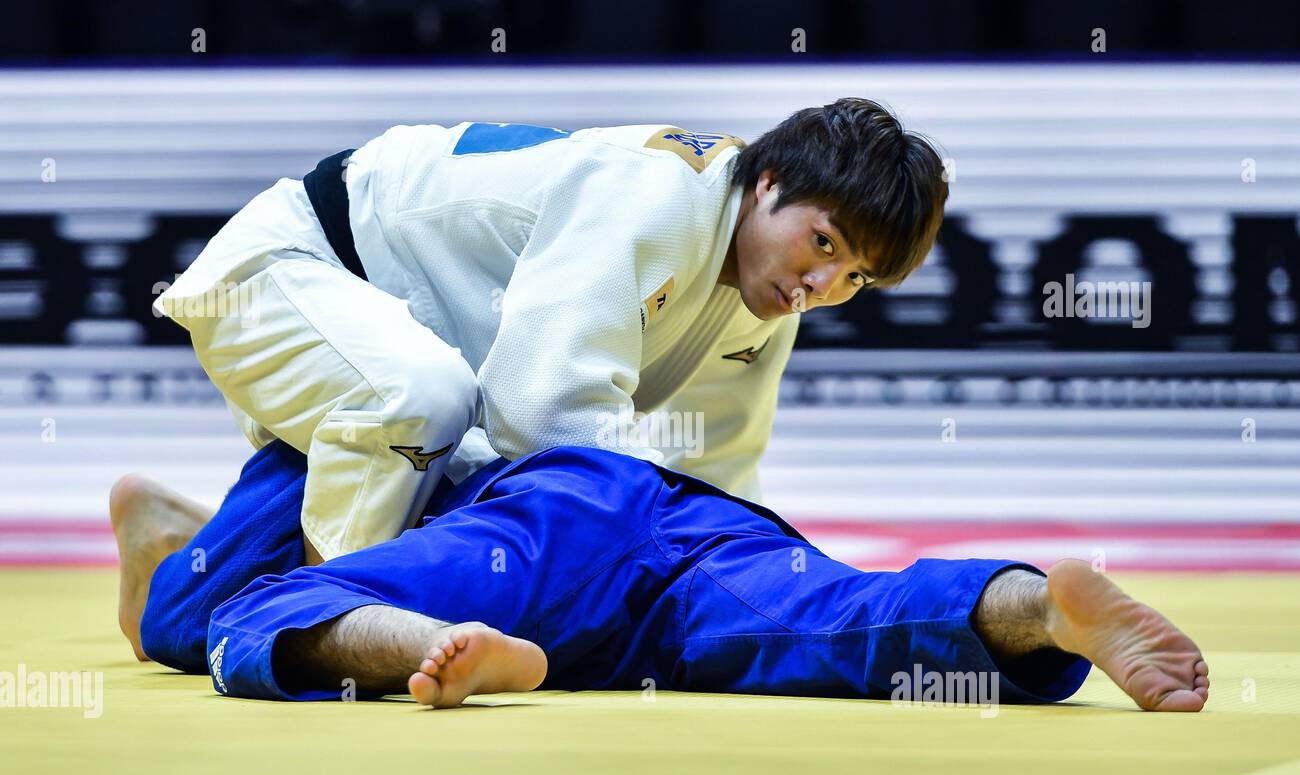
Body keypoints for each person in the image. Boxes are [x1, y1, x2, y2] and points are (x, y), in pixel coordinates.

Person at [143, 97, 946, 606]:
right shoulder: (660, 198)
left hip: (396, 332)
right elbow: (542, 410)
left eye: (856, 278)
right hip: (291, 268)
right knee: (423, 407)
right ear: (768, 182)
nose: (822, 282)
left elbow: (720, 473)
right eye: (823, 242)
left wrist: (744, 575)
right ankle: (323, 621)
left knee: (447, 455)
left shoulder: (765, 299)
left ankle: (172, 555)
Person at [111, 441, 1210, 713]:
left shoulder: (306, 461)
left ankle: (432, 651)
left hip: (555, 526)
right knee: (845, 621)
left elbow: (231, 602)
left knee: (232, 618)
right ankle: (1038, 607)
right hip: (692, 535)